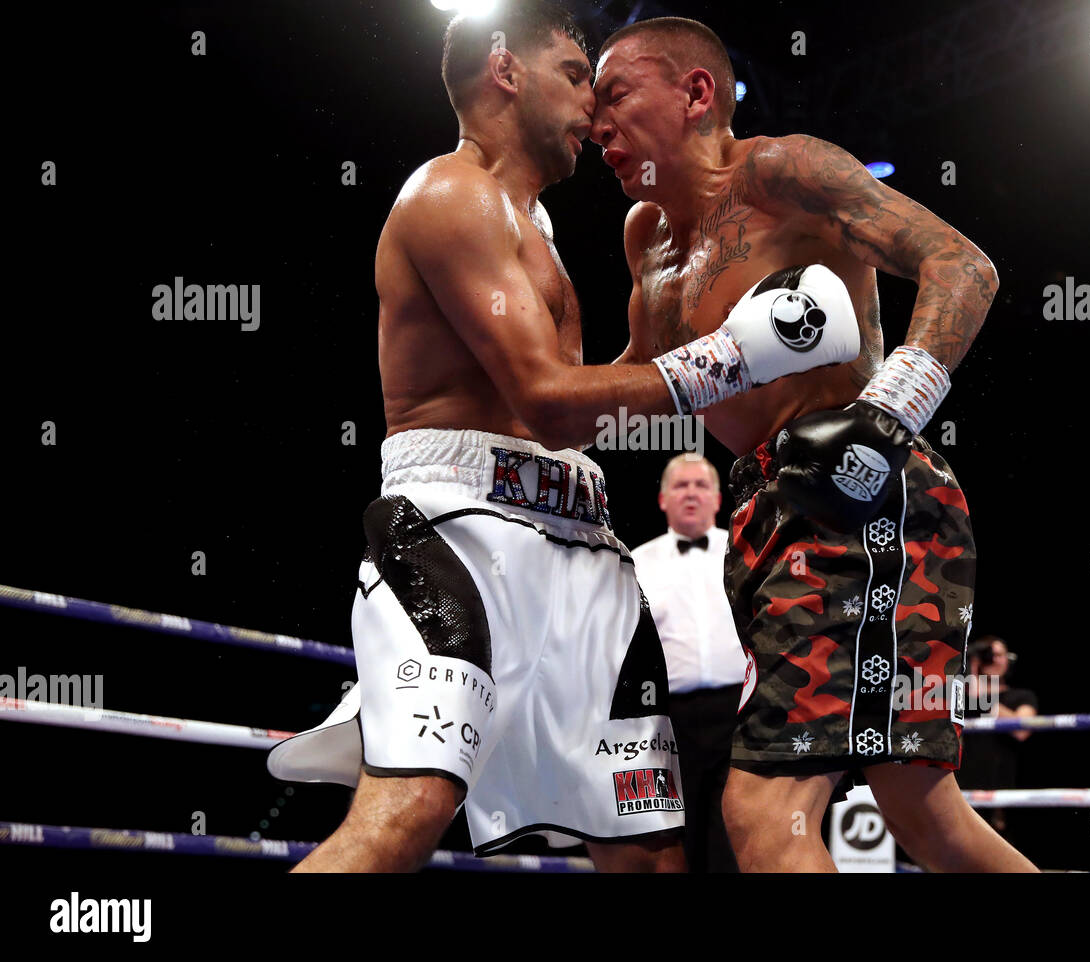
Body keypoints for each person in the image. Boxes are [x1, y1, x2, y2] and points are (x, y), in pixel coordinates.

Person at [265, 2, 861, 872]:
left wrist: (717, 353)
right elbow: (548, 401)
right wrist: (735, 354)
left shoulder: (536, 228)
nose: (596, 110)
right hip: (457, 536)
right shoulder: (448, 195)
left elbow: (595, 396)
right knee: (407, 812)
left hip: (583, 551)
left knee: (651, 853)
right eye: (578, 78)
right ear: (505, 70)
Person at [591, 16, 1038, 872]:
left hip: (861, 488)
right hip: (764, 509)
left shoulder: (780, 171)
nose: (596, 124)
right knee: (919, 805)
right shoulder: (644, 239)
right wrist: (522, 422)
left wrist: (884, 417)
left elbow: (962, 266)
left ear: (696, 93)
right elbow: (635, 385)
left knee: (764, 812)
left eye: (615, 95)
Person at [632, 453, 747, 872]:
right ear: (663, 499)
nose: (691, 493)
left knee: (733, 822)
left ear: (718, 498)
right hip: (666, 717)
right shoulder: (636, 562)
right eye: (681, 485)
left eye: (701, 485)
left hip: (738, 710)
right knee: (672, 828)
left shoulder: (744, 552)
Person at [958, 635, 1039, 838]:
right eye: (989, 655)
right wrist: (972, 669)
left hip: (1005, 791)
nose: (995, 660)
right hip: (963, 790)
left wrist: (984, 696)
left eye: (1000, 655)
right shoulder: (960, 699)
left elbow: (1022, 731)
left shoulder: (1021, 696)